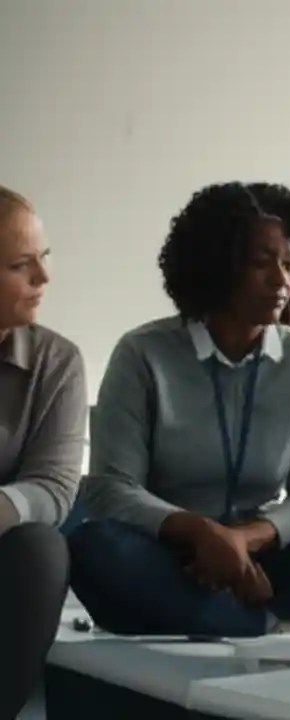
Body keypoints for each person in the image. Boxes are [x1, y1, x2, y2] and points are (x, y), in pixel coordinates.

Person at [68, 182, 290, 637]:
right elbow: (112, 488)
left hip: (264, 560)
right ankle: (275, 632)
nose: (281, 280)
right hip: (164, 554)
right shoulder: (142, 354)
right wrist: (200, 534)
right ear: (217, 265)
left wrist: (242, 540)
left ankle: (230, 621)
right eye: (261, 263)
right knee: (95, 548)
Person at [0, 186, 85, 719]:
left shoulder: (57, 362)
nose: (44, 279)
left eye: (44, 257)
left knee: (42, 550)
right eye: (20, 265)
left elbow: (55, 487)